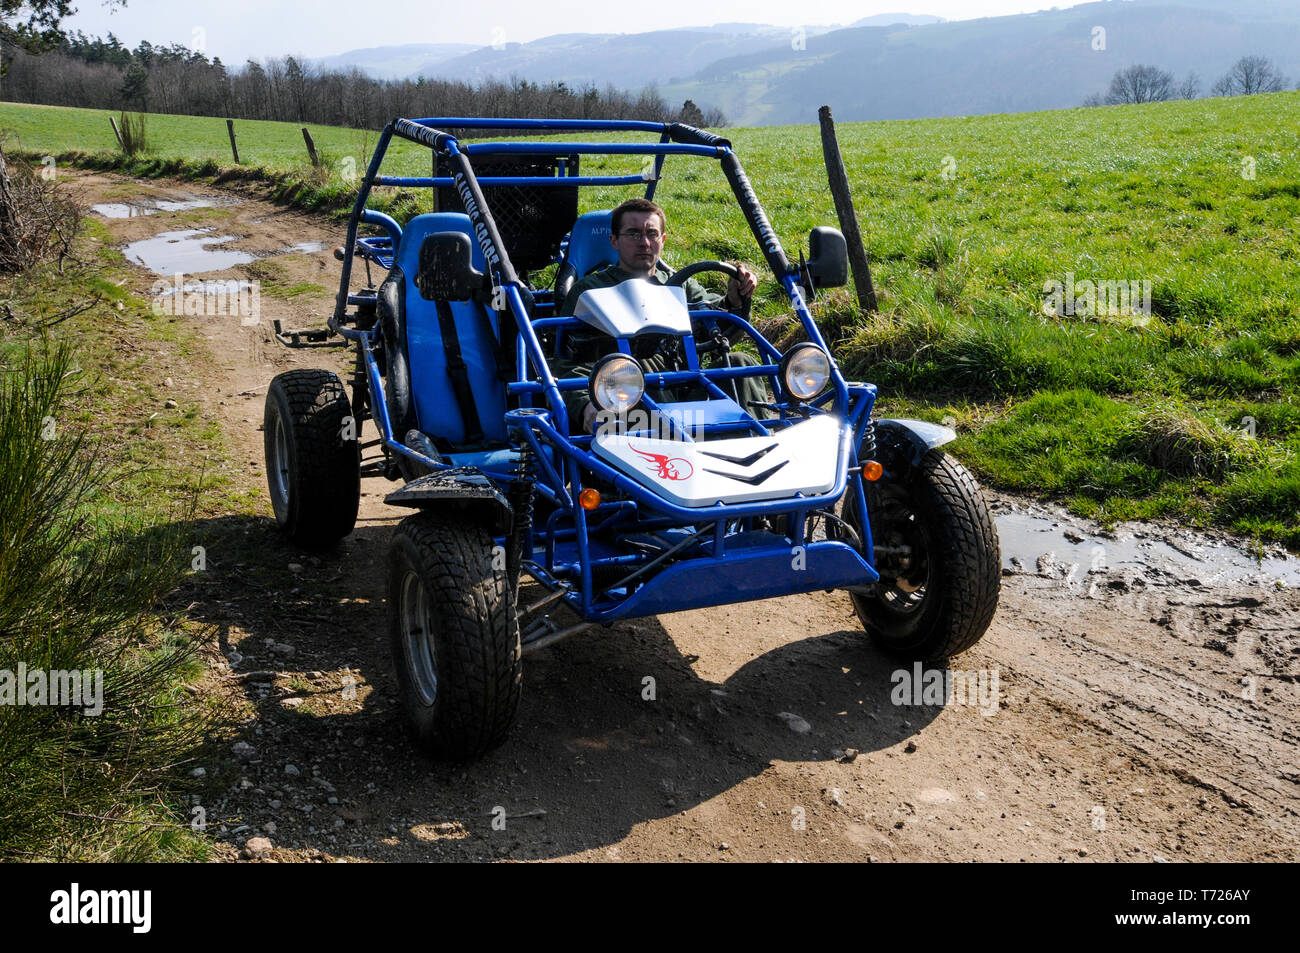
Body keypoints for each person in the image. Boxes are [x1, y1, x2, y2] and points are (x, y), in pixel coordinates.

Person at [555, 197, 769, 432]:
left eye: (652, 233)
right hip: (627, 398)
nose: (644, 243)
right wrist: (585, 406)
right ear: (614, 241)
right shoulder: (590, 290)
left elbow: (719, 330)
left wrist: (733, 301)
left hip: (687, 392)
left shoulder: (681, 285)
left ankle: (756, 447)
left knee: (740, 363)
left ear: (663, 240)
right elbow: (567, 364)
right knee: (632, 371)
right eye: (634, 234)